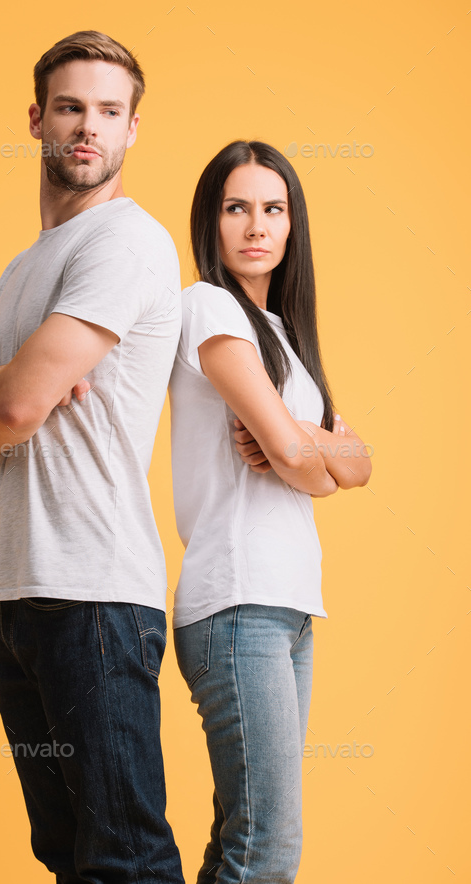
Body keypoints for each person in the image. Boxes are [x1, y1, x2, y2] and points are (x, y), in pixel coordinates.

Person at [0, 30, 185, 884]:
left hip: (97, 596)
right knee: (65, 856)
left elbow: (12, 406)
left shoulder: (126, 243)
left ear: (132, 130)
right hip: (20, 591)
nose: (88, 128)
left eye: (110, 112)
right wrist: (0, 393)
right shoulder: (22, 269)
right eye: (71, 107)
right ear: (37, 118)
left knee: (125, 858)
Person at [168, 140, 372, 883]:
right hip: (235, 601)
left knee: (239, 839)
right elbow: (305, 464)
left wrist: (306, 447)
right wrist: (314, 457)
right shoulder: (207, 306)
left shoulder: (287, 336)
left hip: (287, 607)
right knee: (269, 847)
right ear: (211, 221)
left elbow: (354, 468)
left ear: (292, 226)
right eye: (237, 207)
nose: (257, 225)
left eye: (273, 208)